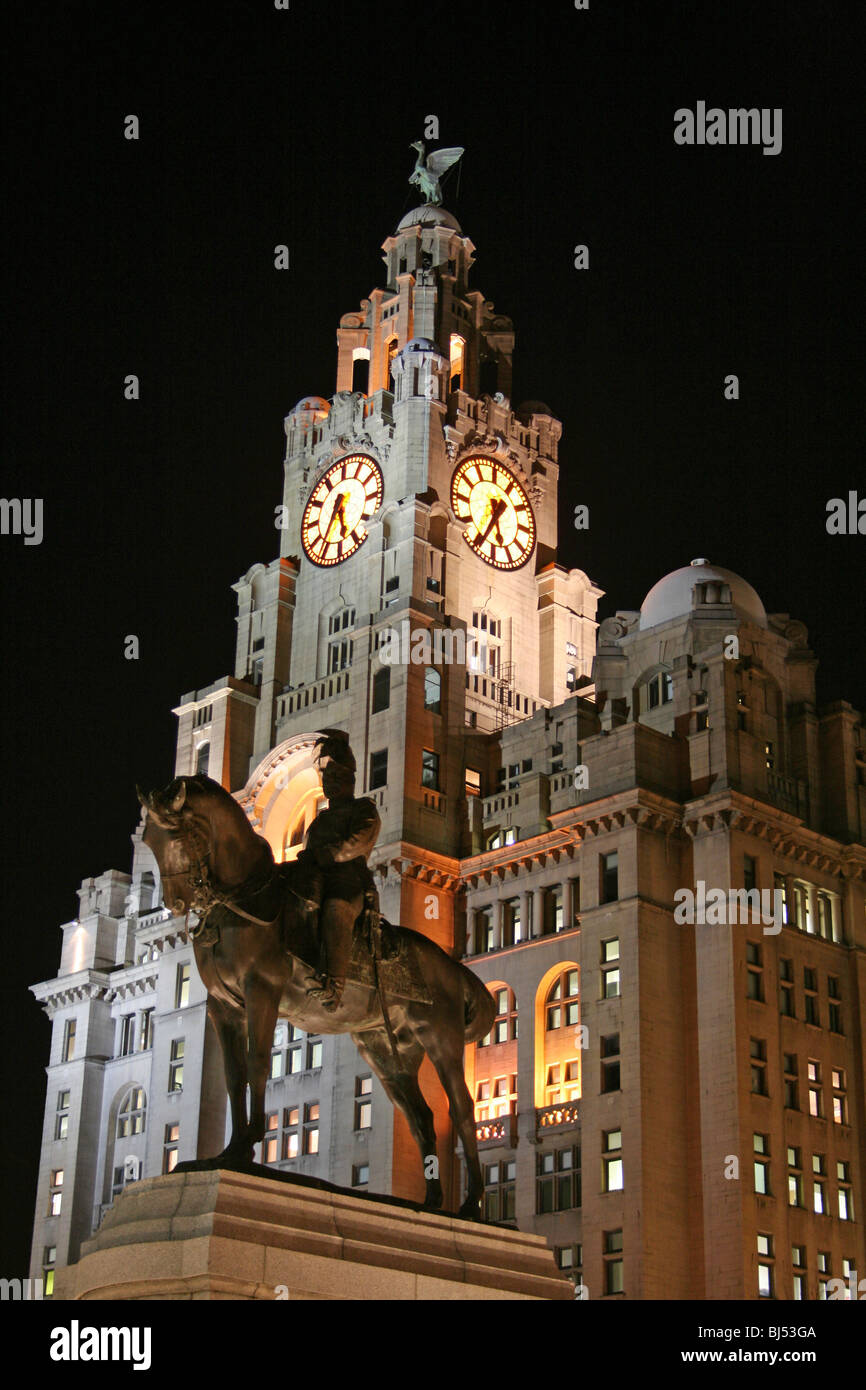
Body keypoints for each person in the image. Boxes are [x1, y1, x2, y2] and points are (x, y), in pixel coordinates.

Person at [292, 736, 381, 1010]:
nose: (329, 782)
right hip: (316, 881)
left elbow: (359, 840)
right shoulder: (318, 822)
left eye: (336, 776)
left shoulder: (362, 809)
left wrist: (330, 854)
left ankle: (334, 985)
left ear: (349, 780)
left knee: (336, 908)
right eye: (326, 778)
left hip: (348, 883)